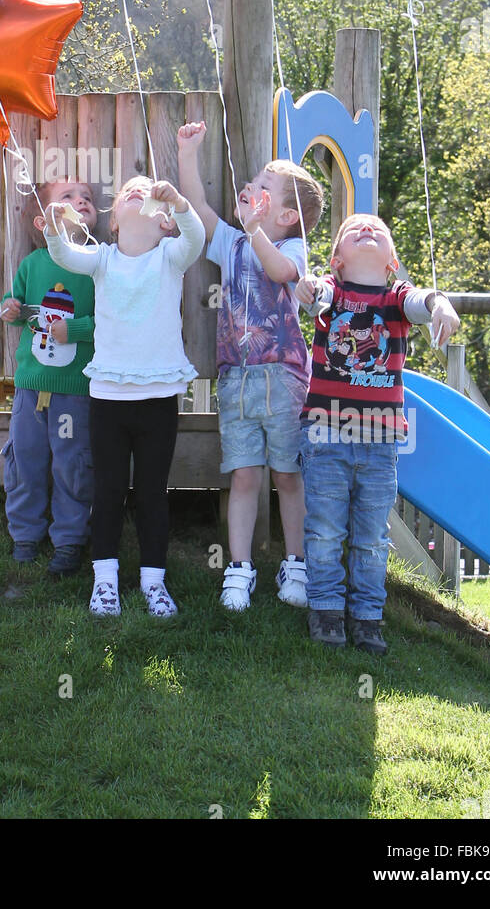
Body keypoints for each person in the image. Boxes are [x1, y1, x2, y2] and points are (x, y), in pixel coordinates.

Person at [296, 213, 460, 654]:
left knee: (372, 536)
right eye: (354, 230)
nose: (366, 230)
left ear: (392, 261)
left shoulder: (396, 298)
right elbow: (315, 295)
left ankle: (368, 617)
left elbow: (421, 300)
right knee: (326, 530)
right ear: (338, 260)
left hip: (380, 443)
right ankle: (326, 609)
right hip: (325, 435)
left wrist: (440, 303)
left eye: (377, 231)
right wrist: (309, 288)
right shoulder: (333, 293)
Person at [178, 121, 324, 613]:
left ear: (286, 214)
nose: (250, 188)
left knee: (287, 475)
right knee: (243, 476)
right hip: (236, 379)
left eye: (263, 187)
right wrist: (187, 154)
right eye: (253, 182)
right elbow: (199, 212)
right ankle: (239, 569)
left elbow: (282, 274)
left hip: (283, 379)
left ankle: (296, 562)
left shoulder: (291, 248)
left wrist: (255, 229)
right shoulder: (232, 245)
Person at [45, 174, 205, 617]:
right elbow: (61, 252)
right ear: (113, 224)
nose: (138, 190)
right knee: (109, 488)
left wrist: (182, 204)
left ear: (164, 223)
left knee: (153, 492)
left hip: (158, 396)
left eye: (149, 190)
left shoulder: (172, 257)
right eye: (129, 192)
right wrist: (54, 225)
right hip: (108, 397)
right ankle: (105, 581)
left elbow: (197, 236)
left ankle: (154, 582)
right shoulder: (102, 260)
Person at [0, 179, 97, 575]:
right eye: (68, 198)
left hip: (75, 390)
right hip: (29, 388)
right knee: (25, 459)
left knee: (72, 463)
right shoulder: (32, 265)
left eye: (87, 198)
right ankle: (25, 534)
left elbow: (108, 321)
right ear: (44, 221)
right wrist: (10, 309)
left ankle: (70, 539)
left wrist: (73, 331)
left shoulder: (97, 263)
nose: (81, 202)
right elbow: (18, 306)